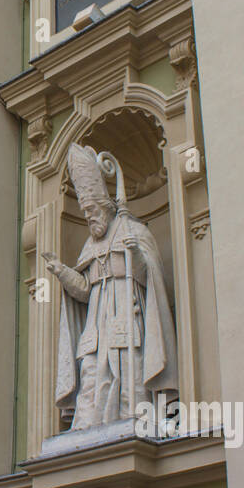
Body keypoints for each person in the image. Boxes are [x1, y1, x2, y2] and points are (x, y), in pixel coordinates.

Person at [43, 143, 177, 430]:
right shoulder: (89, 245)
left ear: (105, 206)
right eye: (84, 210)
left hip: (128, 316)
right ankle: (87, 427)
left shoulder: (135, 231)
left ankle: (137, 421)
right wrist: (62, 272)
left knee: (129, 370)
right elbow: (84, 290)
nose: (89, 215)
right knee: (90, 373)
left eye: (92, 209)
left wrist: (138, 255)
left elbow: (152, 280)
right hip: (97, 324)